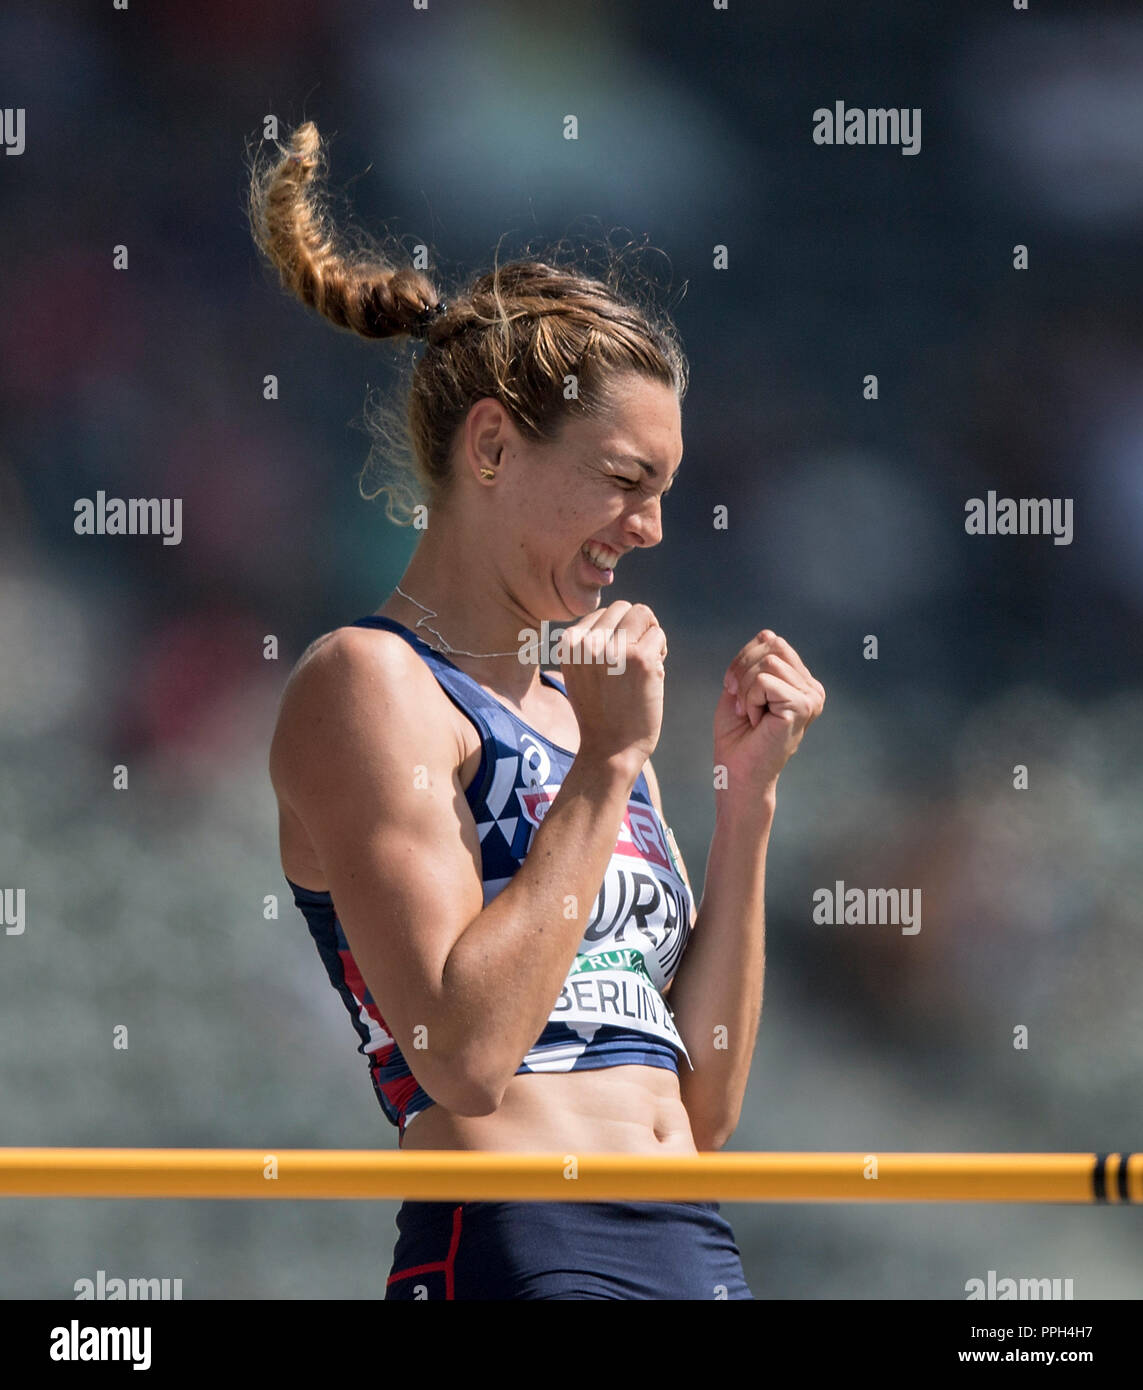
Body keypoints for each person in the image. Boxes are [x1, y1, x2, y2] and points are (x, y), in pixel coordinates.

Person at [250, 120, 825, 1299]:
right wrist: (609, 764)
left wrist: (746, 802)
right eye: (624, 481)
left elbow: (704, 1103)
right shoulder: (367, 684)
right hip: (520, 1249)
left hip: (694, 1245)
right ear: (497, 445)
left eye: (664, 493)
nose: (652, 528)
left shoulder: (596, 721)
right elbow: (464, 1055)